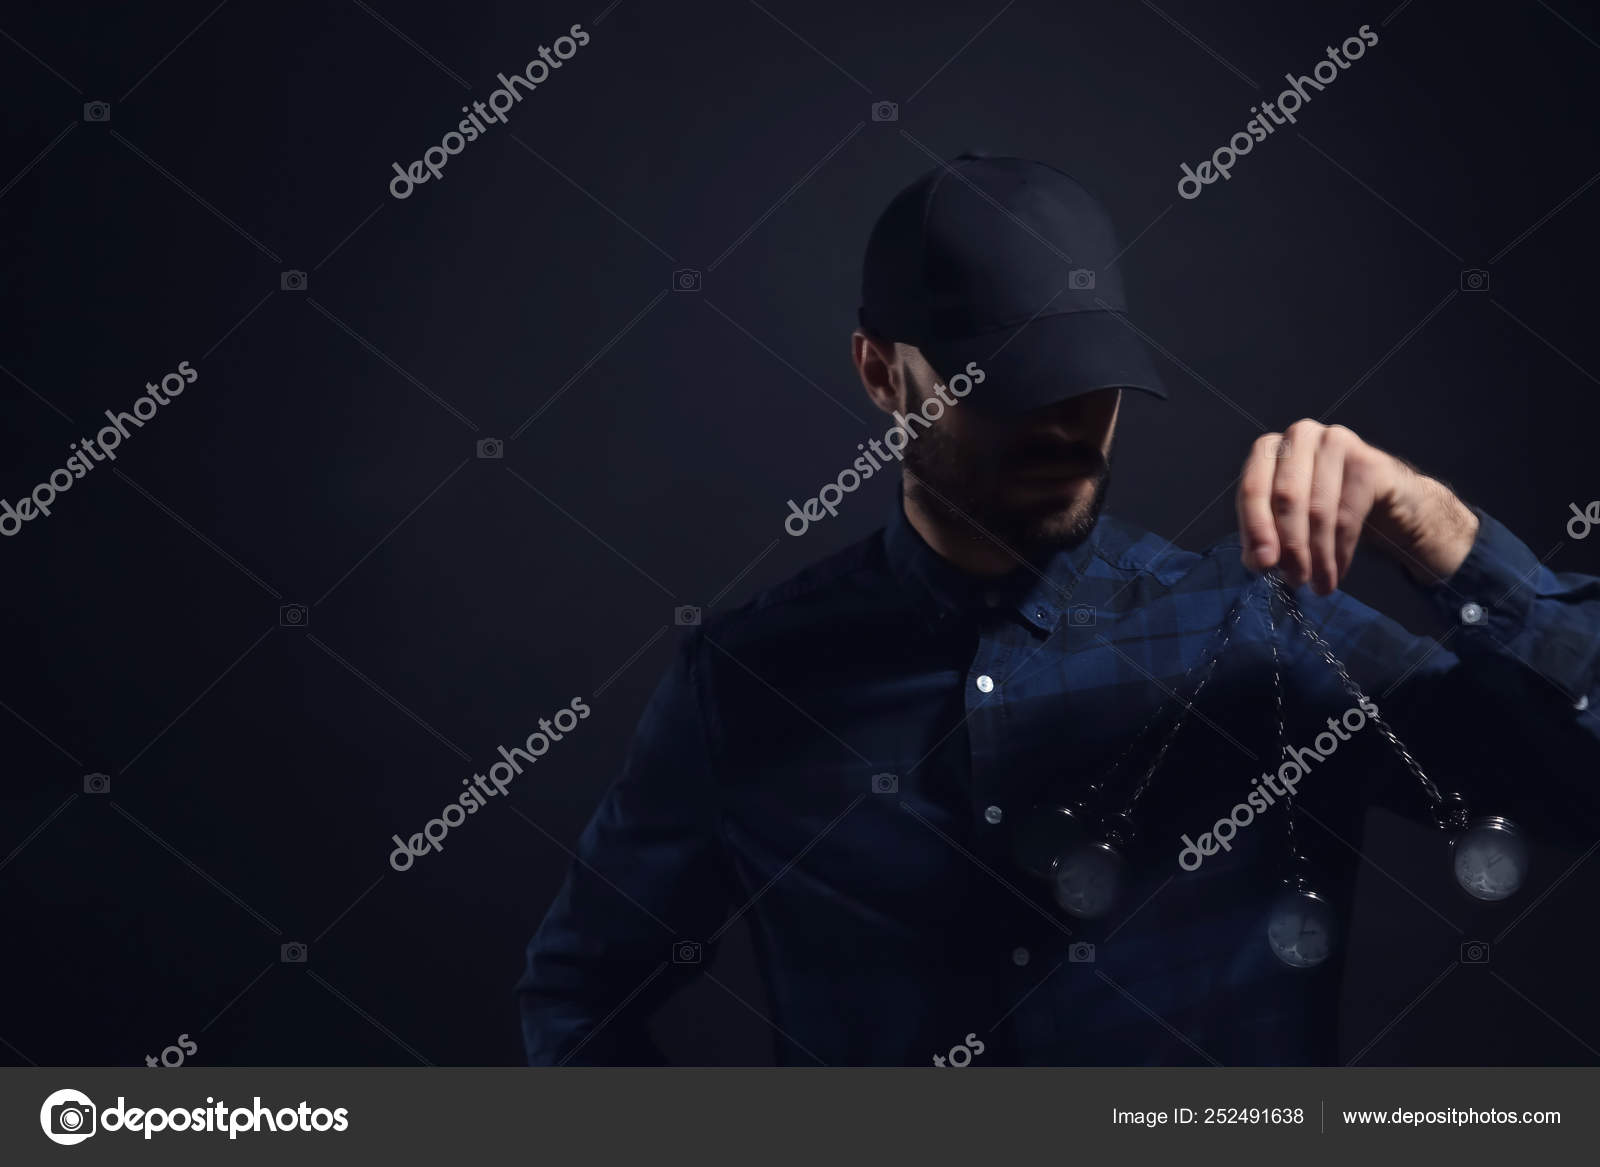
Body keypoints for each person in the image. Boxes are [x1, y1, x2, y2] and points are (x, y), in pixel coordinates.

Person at [518, 154, 1600, 1065]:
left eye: (1083, 370)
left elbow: (1578, 789)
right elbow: (581, 995)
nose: (1063, 420)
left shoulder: (1259, 631)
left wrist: (1447, 538)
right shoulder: (747, 681)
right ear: (881, 374)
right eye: (1002, 376)